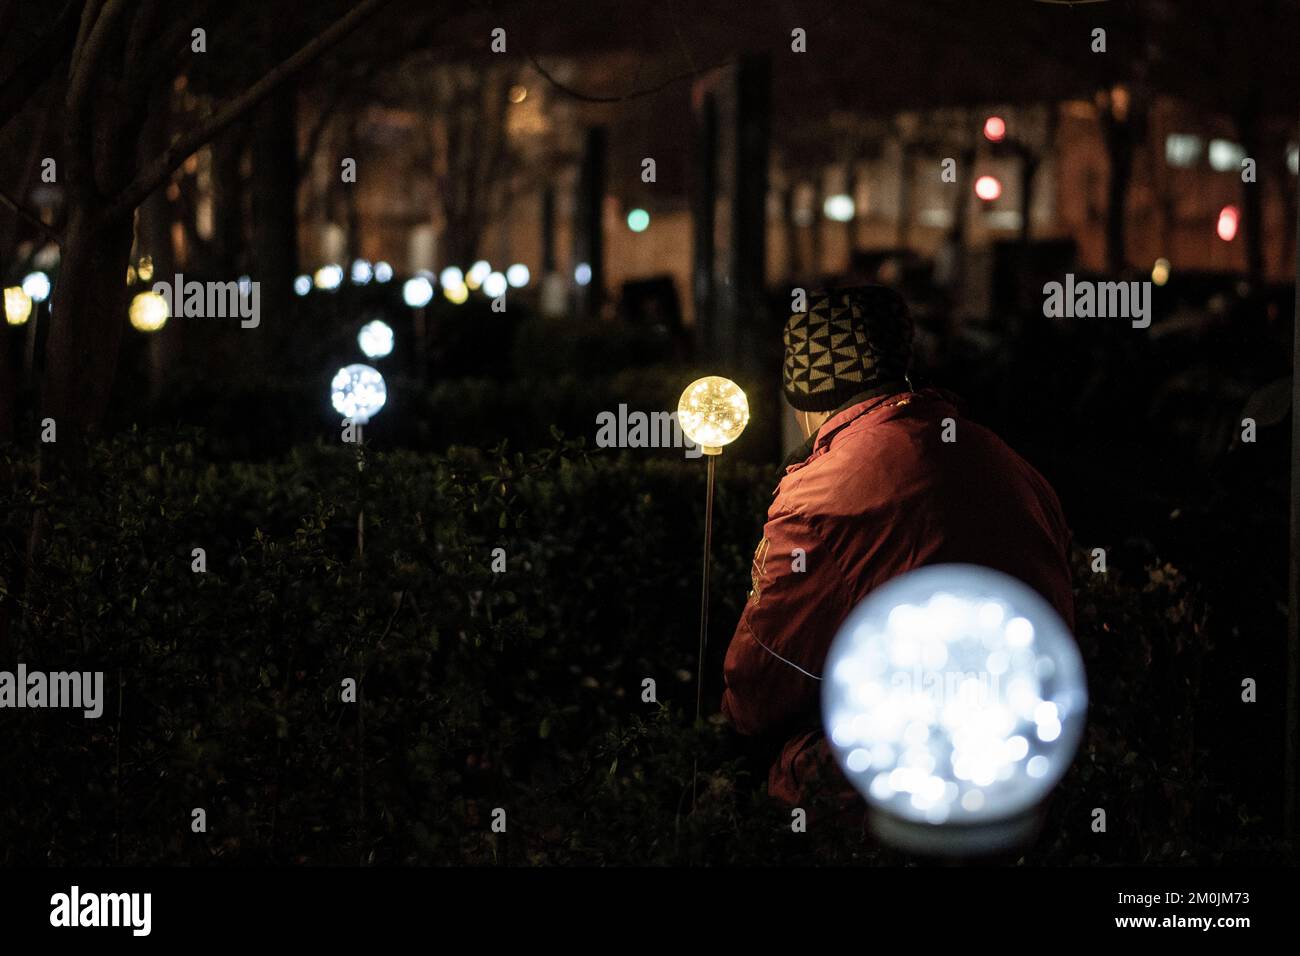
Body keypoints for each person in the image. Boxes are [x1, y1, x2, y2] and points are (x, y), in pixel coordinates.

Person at [720, 285, 1074, 810]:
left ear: (803, 395)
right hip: (1038, 760)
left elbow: (763, 680)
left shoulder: (820, 494)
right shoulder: (1002, 459)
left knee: (785, 770)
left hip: (917, 777)